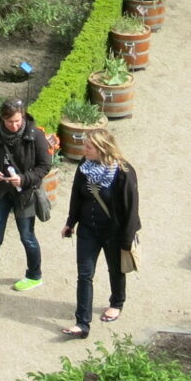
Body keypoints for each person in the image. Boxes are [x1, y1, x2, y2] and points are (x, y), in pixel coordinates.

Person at [60, 123, 140, 338]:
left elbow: (131, 209)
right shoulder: (84, 167)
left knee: (115, 269)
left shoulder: (123, 172)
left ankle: (117, 302)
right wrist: (71, 222)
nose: (84, 151)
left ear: (102, 149)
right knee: (84, 275)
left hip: (114, 231)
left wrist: (126, 239)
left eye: (89, 148)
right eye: (85, 146)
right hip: (88, 230)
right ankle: (82, 323)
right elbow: (76, 196)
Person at [0, 97, 52, 303]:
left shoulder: (35, 135)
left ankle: (34, 275)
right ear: (2, 118)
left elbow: (45, 166)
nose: (15, 125)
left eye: (18, 121)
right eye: (10, 122)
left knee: (27, 237)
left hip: (24, 193)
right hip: (1, 192)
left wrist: (24, 179)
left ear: (23, 116)